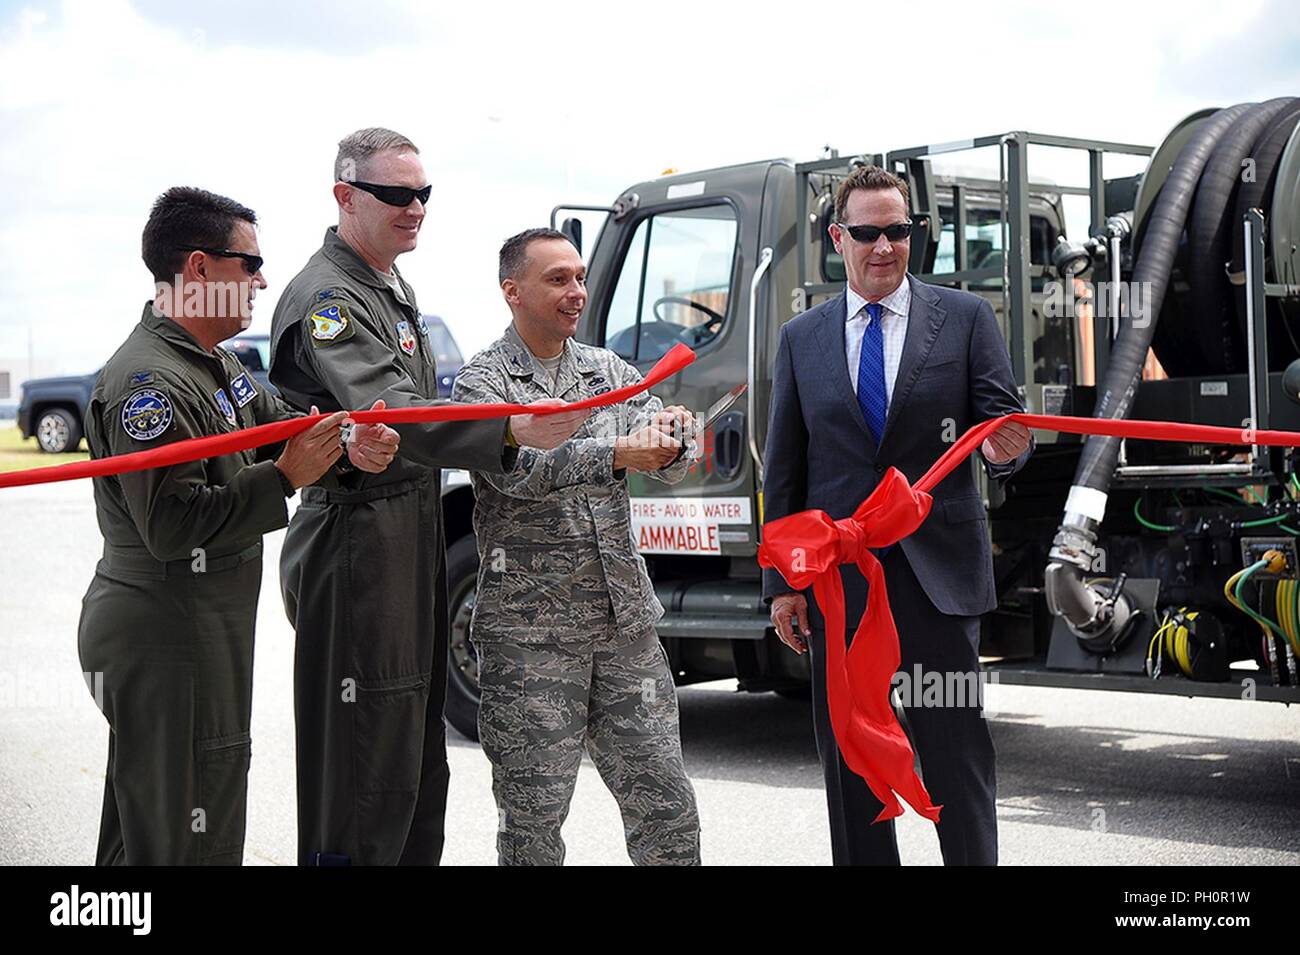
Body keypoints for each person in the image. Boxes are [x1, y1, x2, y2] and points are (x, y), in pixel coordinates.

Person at [269, 130, 586, 866]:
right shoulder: (328, 298)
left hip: (399, 543)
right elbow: (397, 410)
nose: (415, 207)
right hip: (356, 551)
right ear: (346, 196)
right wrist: (509, 425)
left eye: (423, 193)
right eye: (396, 194)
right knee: (363, 773)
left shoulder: (384, 283)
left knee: (412, 767)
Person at [78, 186, 399, 865]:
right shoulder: (151, 383)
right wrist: (283, 477)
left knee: (149, 823)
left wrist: (346, 443)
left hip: (196, 629)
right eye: (249, 264)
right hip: (167, 634)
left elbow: (280, 424)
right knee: (190, 832)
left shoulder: (215, 365)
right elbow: (171, 522)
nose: (261, 279)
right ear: (199, 269)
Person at [762, 166, 1034, 866]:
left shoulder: (966, 318)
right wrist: (782, 585)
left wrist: (1010, 451)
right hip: (839, 587)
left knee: (955, 755)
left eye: (898, 231)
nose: (883, 246)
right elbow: (786, 470)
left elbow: (1000, 436)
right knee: (851, 763)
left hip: (937, 578)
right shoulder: (801, 339)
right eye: (867, 232)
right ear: (837, 238)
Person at [451, 227, 701, 866]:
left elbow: (668, 459)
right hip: (531, 640)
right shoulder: (483, 384)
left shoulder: (607, 369)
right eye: (558, 279)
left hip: (625, 629)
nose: (577, 292)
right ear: (513, 291)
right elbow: (518, 471)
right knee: (534, 825)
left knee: (666, 806)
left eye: (580, 277)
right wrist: (617, 451)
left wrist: (678, 435)